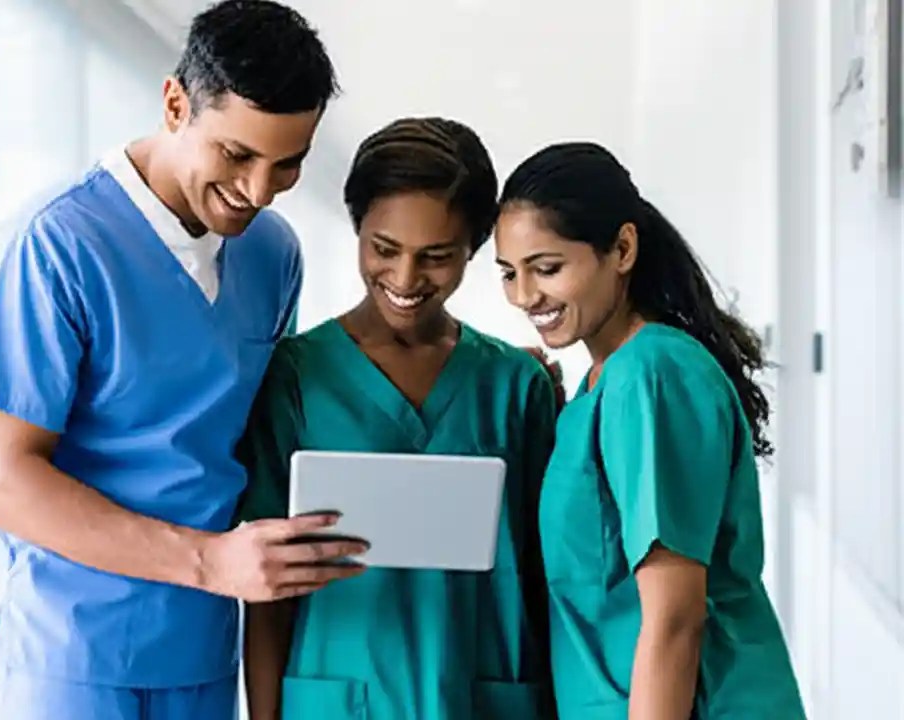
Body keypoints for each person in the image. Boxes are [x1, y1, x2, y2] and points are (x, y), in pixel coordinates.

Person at [0, 3, 370, 718]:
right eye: (237, 155)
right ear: (175, 103)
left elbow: (268, 428)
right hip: (73, 659)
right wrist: (211, 561)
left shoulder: (272, 256)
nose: (258, 191)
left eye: (288, 166)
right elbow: (6, 480)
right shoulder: (56, 245)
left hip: (204, 656)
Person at [237, 117, 559, 720]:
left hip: (484, 695)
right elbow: (267, 591)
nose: (407, 279)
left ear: (475, 248)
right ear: (357, 229)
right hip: (337, 697)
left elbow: (550, 580)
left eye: (437, 257)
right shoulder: (296, 377)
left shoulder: (517, 388)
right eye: (384, 250)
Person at [494, 141, 806, 719]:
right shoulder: (604, 385)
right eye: (509, 274)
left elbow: (675, 620)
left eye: (547, 268)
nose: (525, 296)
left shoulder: (651, 374)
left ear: (623, 248)